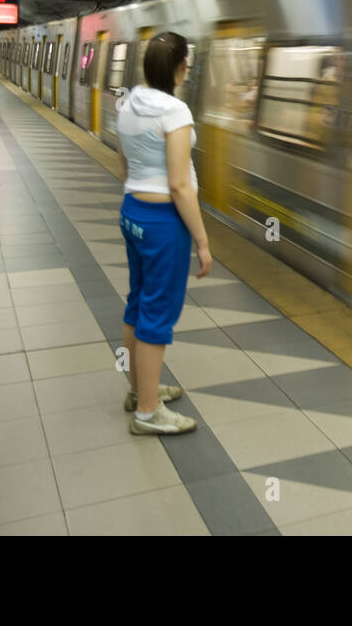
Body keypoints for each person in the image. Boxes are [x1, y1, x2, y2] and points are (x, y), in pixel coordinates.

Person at [116, 31, 213, 435]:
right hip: (162, 222)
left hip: (133, 210)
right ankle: (148, 414)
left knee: (137, 303)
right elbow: (179, 184)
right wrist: (203, 242)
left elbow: (123, 165)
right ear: (180, 66)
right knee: (158, 312)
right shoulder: (175, 111)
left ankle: (140, 392)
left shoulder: (127, 103)